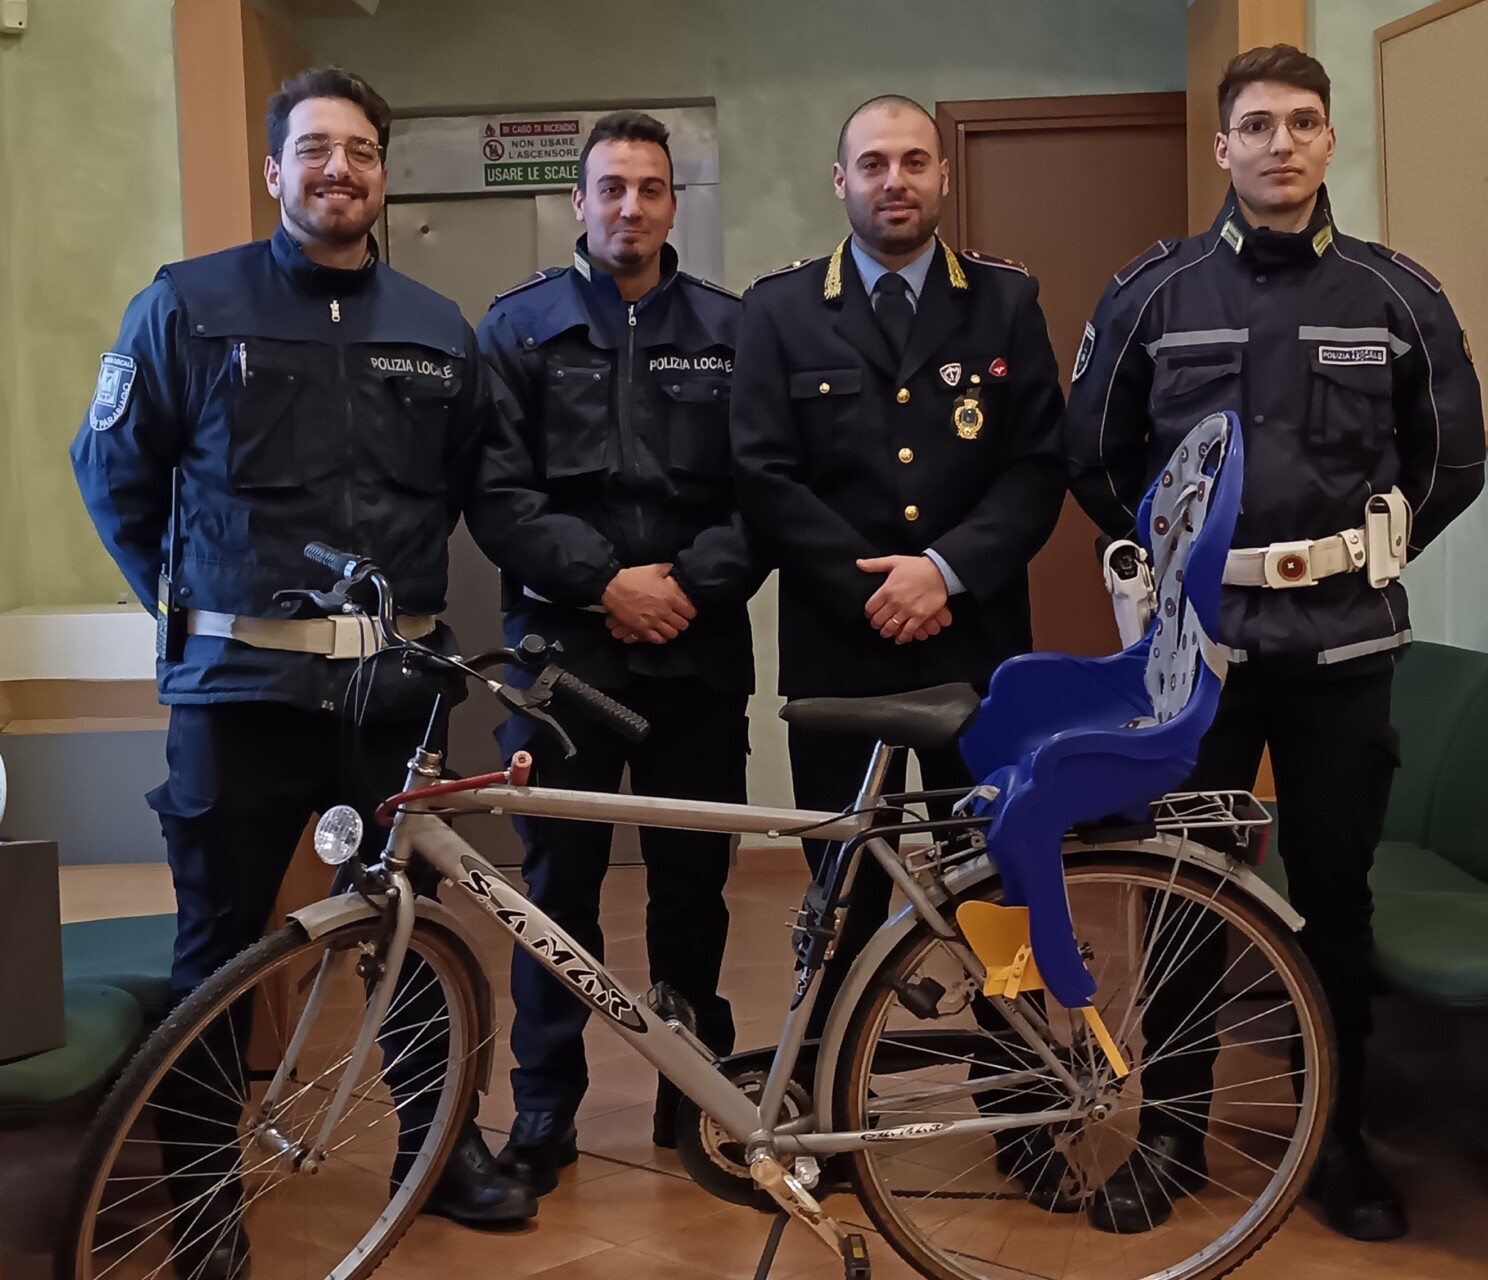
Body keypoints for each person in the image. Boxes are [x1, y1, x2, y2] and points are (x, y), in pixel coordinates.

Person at [70, 67, 536, 1276]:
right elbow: (116, 481)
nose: (340, 169)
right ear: (274, 169)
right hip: (241, 699)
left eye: (362, 151)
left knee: (417, 930)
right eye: (315, 148)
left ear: (384, 174)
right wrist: (187, 617)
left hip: (391, 697)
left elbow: (490, 492)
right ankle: (203, 1198)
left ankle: (441, 1153)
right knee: (223, 953)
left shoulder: (439, 327)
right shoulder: (186, 305)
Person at [1064, 45, 1484, 1241]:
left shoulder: (1396, 295)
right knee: (1188, 892)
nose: (1282, 144)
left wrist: (1369, 545)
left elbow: (1454, 455)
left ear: (1329, 140)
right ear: (1223, 146)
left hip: (1346, 646)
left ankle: (1337, 1136)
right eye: (1258, 125)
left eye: (1304, 122)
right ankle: (1172, 1134)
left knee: (1334, 900)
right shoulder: (1153, 291)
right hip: (1198, 651)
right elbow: (1090, 453)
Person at [729, 94, 1068, 1199]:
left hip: (976, 651)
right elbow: (763, 476)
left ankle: (1025, 1103)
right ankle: (834, 1105)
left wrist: (945, 572)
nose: (895, 180)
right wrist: (870, 584)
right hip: (842, 649)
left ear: (942, 178)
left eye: (914, 160)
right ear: (841, 182)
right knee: (842, 889)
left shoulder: (1005, 302)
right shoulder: (778, 311)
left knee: (1000, 883)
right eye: (872, 162)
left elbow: (1034, 468)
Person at [466, 111, 759, 1197]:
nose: (629, 206)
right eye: (610, 188)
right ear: (580, 203)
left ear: (673, 202)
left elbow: (761, 491)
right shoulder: (516, 329)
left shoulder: (733, 330)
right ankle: (543, 1109)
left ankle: (695, 1082)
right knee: (555, 889)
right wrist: (606, 583)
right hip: (562, 657)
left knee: (695, 884)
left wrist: (684, 587)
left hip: (695, 648)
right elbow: (496, 492)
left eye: (649, 187)